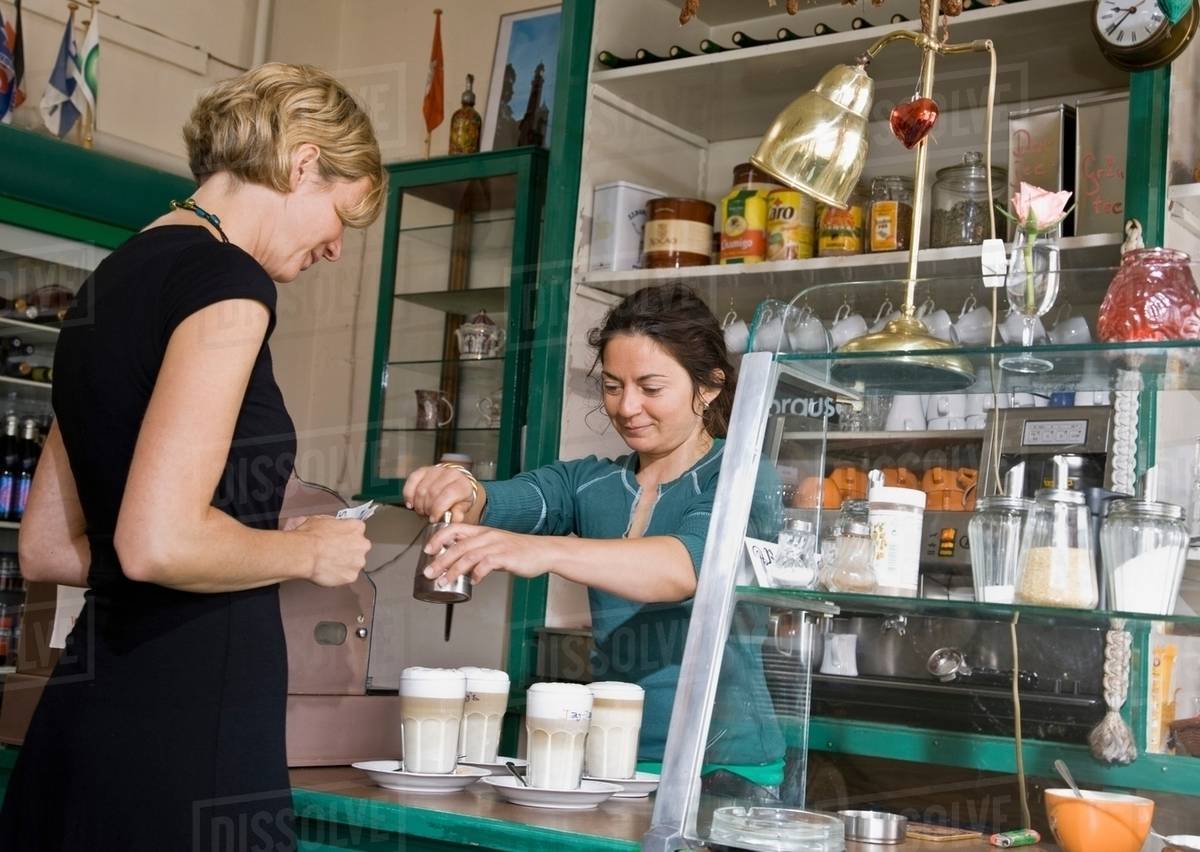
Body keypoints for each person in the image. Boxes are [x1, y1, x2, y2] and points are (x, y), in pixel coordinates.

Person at [0, 63, 384, 851]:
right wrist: (308, 552)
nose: (337, 248)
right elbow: (159, 542)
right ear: (304, 163)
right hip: (191, 724)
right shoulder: (229, 282)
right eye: (342, 216)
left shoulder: (112, 278)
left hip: (87, 710)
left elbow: (45, 547)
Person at [404, 283, 785, 790]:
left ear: (709, 386)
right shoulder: (592, 482)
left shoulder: (740, 475)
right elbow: (512, 500)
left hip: (726, 766)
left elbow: (681, 568)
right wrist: (460, 489)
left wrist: (542, 550)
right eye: (612, 385)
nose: (627, 407)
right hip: (615, 759)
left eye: (651, 388)